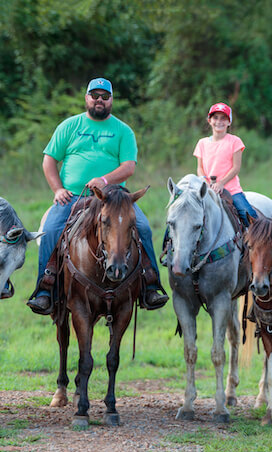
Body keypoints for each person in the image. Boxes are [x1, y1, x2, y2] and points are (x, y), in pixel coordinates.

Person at [26, 77, 167, 314]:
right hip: (72, 195)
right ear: (86, 98)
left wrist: (104, 180)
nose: (99, 100)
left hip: (114, 196)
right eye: (95, 95)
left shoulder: (123, 131)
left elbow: (128, 166)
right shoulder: (69, 126)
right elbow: (49, 160)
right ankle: (45, 288)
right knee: (51, 229)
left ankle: (150, 285)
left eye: (104, 96)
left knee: (142, 227)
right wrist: (58, 189)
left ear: (111, 100)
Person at [194, 102, 257, 226]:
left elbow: (236, 168)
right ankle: (171, 243)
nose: (219, 121)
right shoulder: (202, 143)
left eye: (223, 118)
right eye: (215, 118)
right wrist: (205, 182)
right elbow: (200, 168)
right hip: (207, 188)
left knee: (248, 214)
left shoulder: (235, 141)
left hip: (231, 189)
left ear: (229, 122)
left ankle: (253, 241)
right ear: (209, 120)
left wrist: (221, 183)